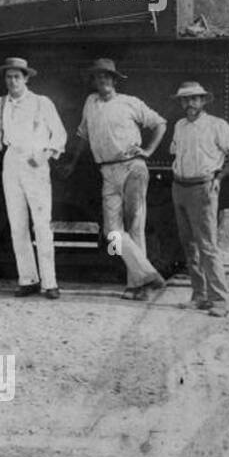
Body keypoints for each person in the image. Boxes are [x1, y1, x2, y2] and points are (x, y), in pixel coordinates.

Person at [66, 58, 168, 300]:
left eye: (106, 76)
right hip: (107, 172)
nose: (102, 80)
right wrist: (72, 162)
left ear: (114, 80)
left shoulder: (129, 103)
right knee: (112, 231)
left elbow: (160, 123)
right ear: (94, 81)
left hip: (132, 167)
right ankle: (148, 275)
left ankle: (137, 287)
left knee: (135, 227)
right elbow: (83, 134)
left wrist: (149, 151)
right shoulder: (90, 103)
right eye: (98, 77)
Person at [0, 57, 67, 298]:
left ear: (26, 78)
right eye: (8, 77)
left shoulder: (41, 102)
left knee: (41, 224)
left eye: (17, 76)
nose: (12, 81)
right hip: (11, 162)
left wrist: (44, 155)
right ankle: (27, 279)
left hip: (35, 162)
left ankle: (50, 283)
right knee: (17, 224)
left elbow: (59, 134)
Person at [167, 81, 229, 318]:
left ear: (204, 101)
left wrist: (219, 177)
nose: (189, 104)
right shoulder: (180, 126)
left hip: (202, 189)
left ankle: (220, 301)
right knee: (189, 245)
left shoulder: (217, 125)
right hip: (180, 187)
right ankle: (199, 296)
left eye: (194, 99)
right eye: (185, 100)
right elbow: (176, 153)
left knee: (207, 246)